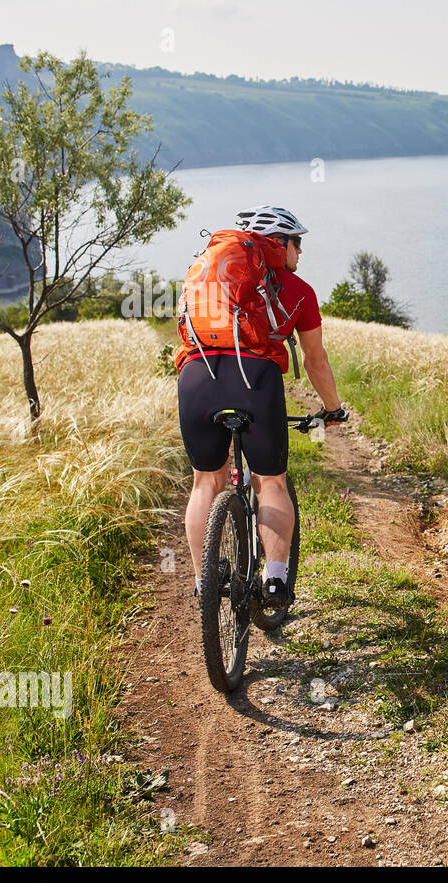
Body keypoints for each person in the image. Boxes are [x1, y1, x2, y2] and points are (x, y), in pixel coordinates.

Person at [175, 204, 347, 610]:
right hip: (255, 380)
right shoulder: (299, 291)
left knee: (205, 481)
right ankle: (274, 582)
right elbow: (315, 360)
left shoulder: (210, 281)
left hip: (197, 377)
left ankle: (204, 580)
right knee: (270, 481)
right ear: (278, 243)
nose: (300, 252)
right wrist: (333, 408)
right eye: (296, 243)